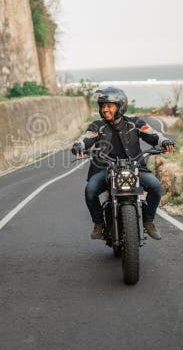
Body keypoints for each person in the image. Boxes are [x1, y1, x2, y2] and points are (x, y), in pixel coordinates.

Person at [73, 86, 174, 241]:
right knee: (90, 190)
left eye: (109, 106)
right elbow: (86, 137)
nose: (105, 110)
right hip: (105, 169)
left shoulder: (135, 124)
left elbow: (153, 134)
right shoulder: (97, 126)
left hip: (134, 167)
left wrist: (164, 141)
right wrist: (79, 145)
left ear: (120, 106)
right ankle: (98, 223)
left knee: (156, 187)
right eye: (103, 106)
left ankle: (148, 221)